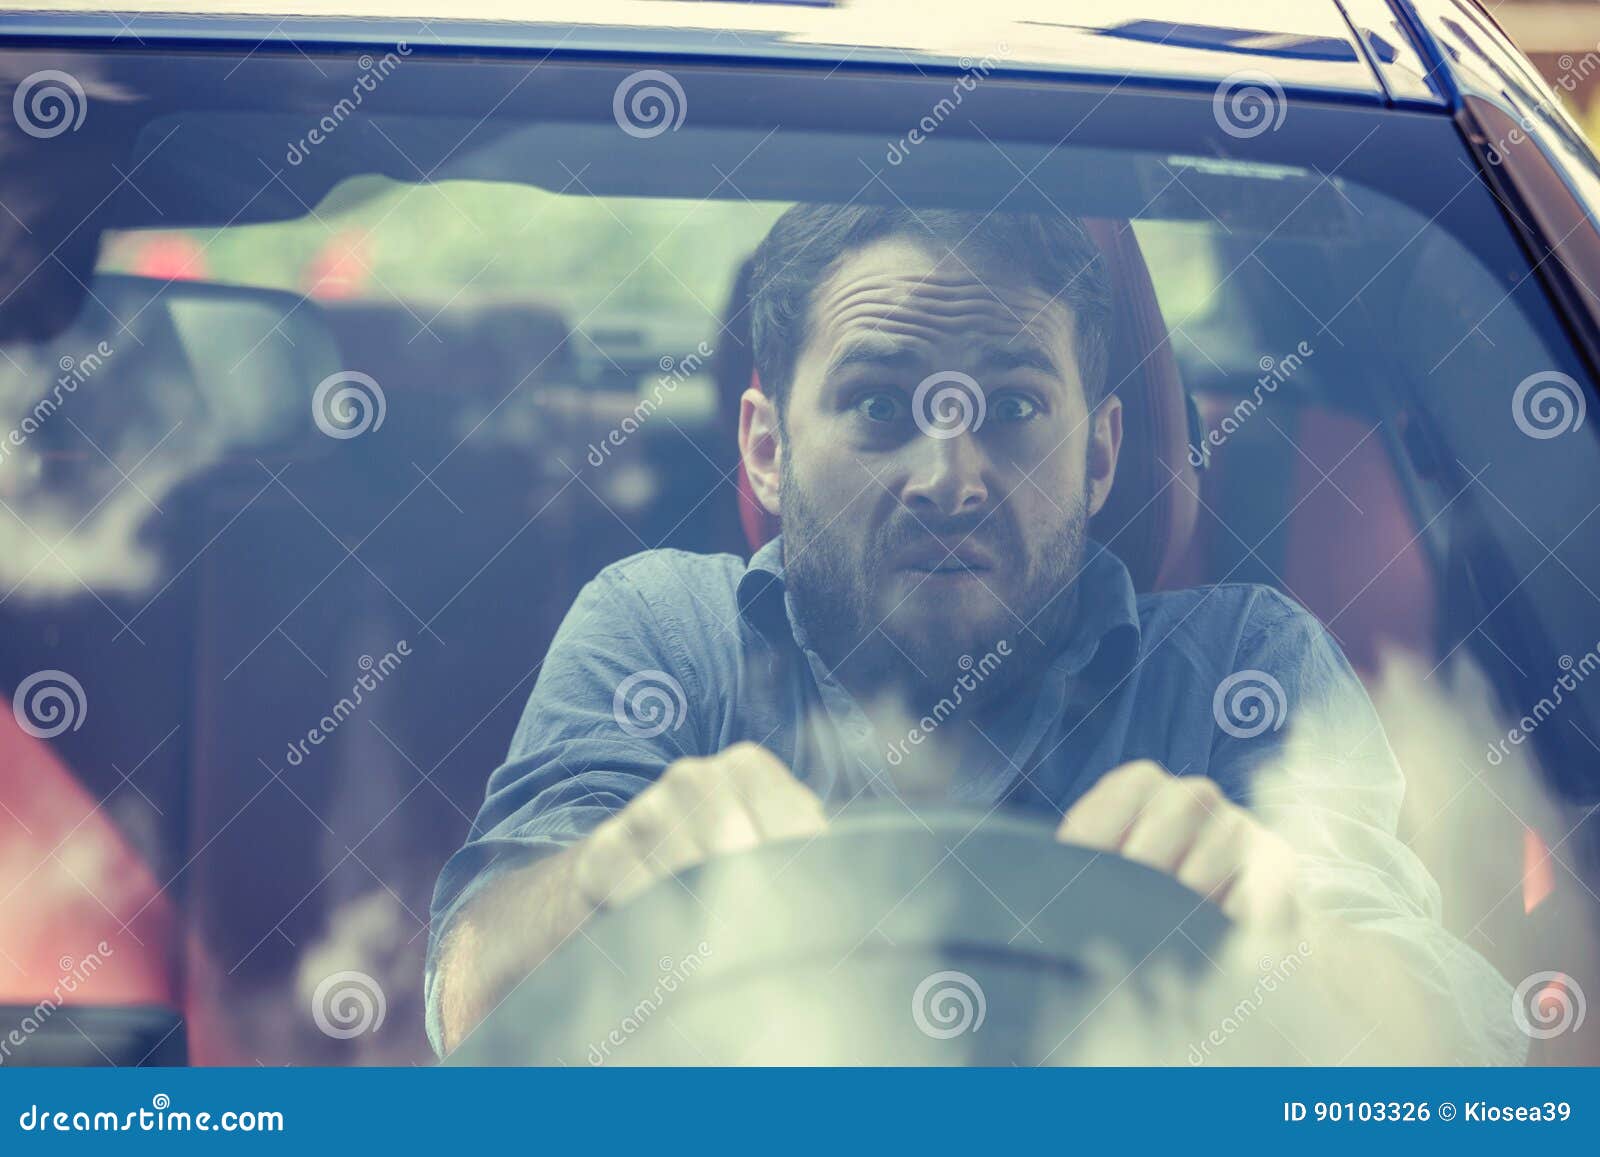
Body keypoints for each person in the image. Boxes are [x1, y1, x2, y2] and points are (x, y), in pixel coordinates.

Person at [425, 205, 1522, 1063]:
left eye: (1007, 408)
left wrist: (1289, 929)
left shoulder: (1246, 666)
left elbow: (1456, 1058)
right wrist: (604, 878)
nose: (948, 479)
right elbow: (470, 997)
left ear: (1100, 455)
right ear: (764, 446)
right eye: (877, 404)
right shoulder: (664, 631)